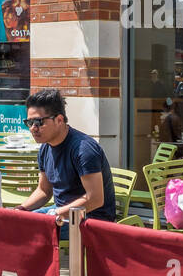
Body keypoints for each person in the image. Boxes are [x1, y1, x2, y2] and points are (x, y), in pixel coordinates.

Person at [16, 89, 116, 222]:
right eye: (29, 123)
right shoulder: (45, 149)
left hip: (92, 218)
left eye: (39, 122)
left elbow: (95, 199)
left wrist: (55, 214)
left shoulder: (83, 149)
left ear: (59, 120)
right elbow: (44, 191)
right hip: (61, 212)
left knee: (32, 231)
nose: (33, 128)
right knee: (17, 223)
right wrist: (21, 209)